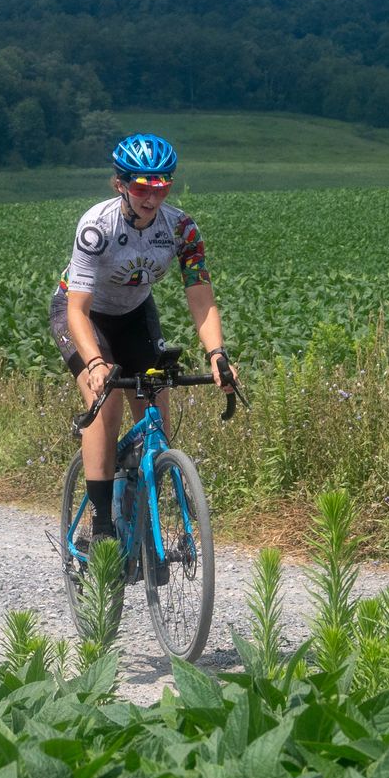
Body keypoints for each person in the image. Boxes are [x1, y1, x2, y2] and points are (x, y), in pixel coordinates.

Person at [52, 133, 236, 547]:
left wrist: (217, 354)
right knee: (105, 402)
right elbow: (78, 310)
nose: (152, 198)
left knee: (157, 411)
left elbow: (200, 295)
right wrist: (95, 364)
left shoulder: (181, 229)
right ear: (120, 184)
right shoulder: (97, 227)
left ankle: (138, 516)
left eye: (162, 188)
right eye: (141, 188)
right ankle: (101, 524)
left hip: (134, 314)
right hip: (83, 314)